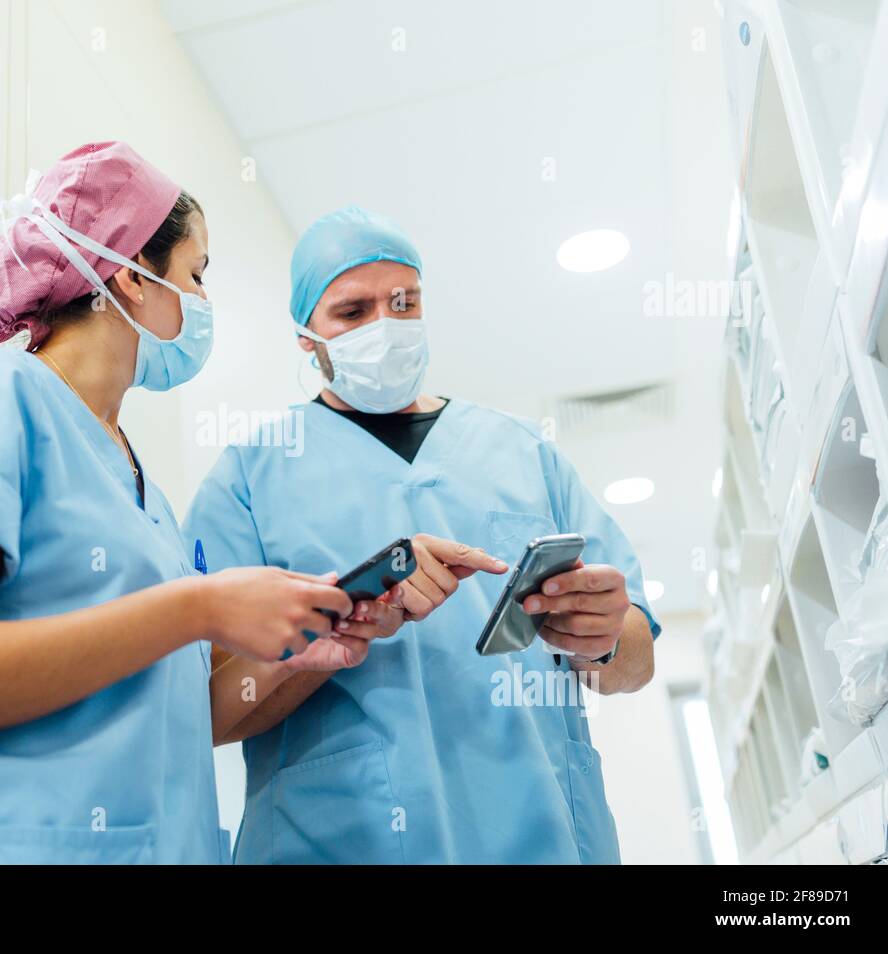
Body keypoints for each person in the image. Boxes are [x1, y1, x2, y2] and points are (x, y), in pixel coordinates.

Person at [0, 142, 361, 864]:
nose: (205, 304)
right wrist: (200, 607)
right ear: (130, 277)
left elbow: (184, 711)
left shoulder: (139, 484)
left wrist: (309, 647)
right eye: (196, 274)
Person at [183, 205, 661, 864]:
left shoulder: (521, 451)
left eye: (404, 302)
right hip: (340, 840)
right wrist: (342, 621)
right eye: (352, 313)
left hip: (542, 832)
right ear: (305, 336)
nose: (386, 326)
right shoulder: (251, 478)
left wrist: (607, 638)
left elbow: (634, 664)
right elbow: (208, 709)